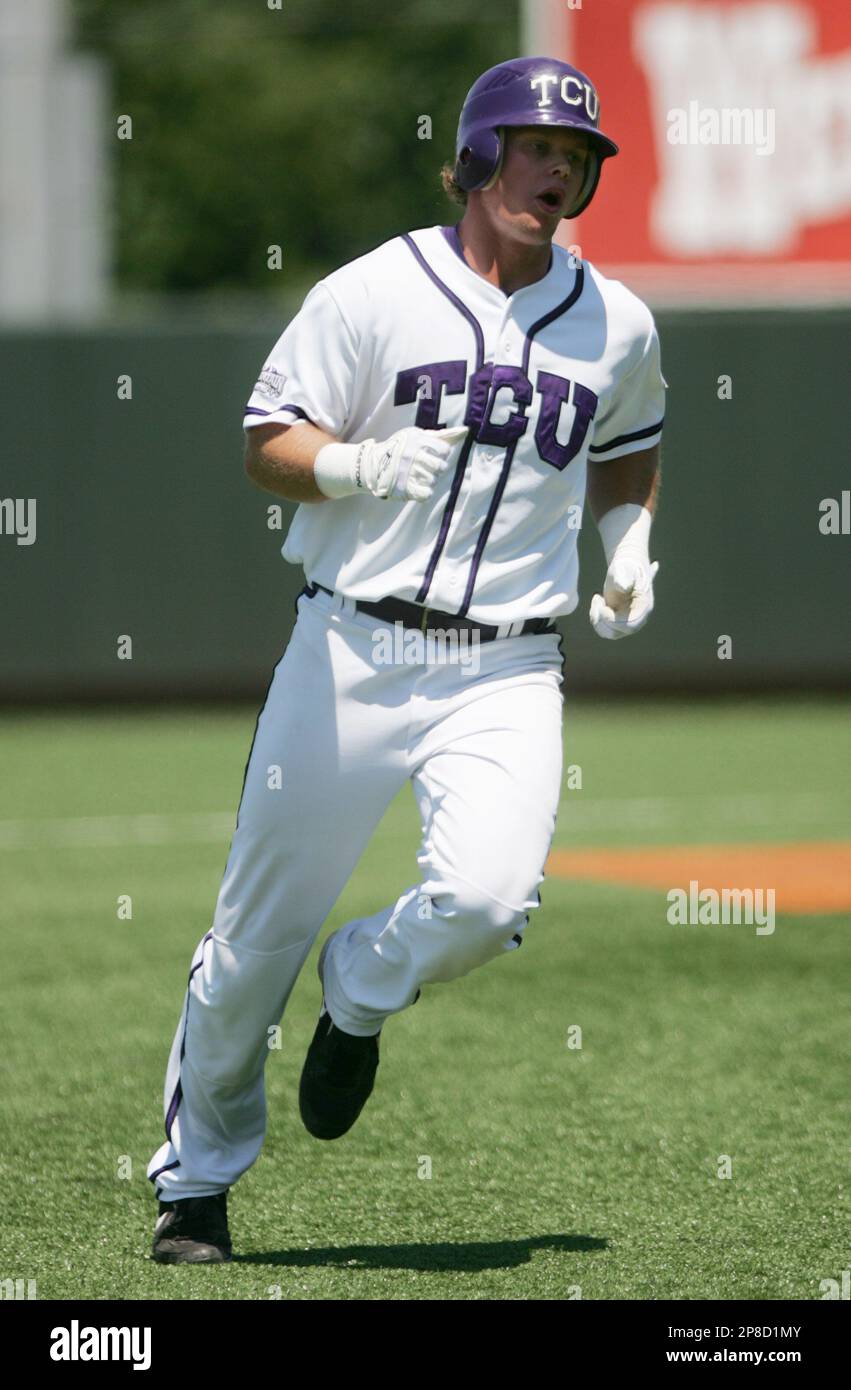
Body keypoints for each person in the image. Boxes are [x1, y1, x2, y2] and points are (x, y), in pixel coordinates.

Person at [148, 56, 665, 1264]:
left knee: (487, 903)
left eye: (577, 157)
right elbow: (262, 439)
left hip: (505, 664)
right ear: (480, 155)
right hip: (351, 644)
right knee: (249, 940)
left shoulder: (617, 320)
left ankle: (362, 987)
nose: (558, 171)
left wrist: (630, 538)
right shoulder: (373, 290)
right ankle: (197, 1185)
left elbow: (631, 440)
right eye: (537, 147)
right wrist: (353, 465)